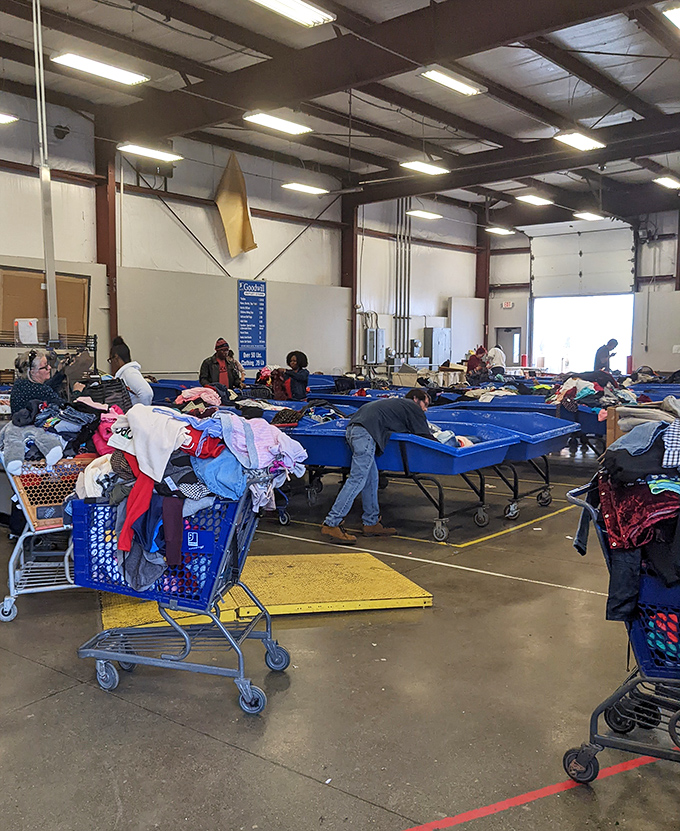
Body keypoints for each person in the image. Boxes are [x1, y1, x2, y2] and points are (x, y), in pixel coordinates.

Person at [321, 388, 432, 544]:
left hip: (355, 430)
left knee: (371, 479)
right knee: (357, 479)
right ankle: (331, 523)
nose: (425, 409)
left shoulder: (394, 404)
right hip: (365, 434)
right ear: (415, 399)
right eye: (425, 404)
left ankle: (371, 522)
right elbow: (424, 435)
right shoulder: (411, 406)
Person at [10, 349, 85, 415]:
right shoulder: (39, 390)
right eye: (45, 366)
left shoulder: (20, 384)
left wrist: (60, 372)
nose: (49, 367)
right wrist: (77, 392)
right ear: (32, 372)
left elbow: (48, 386)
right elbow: (69, 408)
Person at [108, 336, 153, 406]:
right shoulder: (126, 373)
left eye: (110, 360)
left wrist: (142, 412)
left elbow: (147, 393)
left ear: (116, 358)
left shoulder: (129, 373)